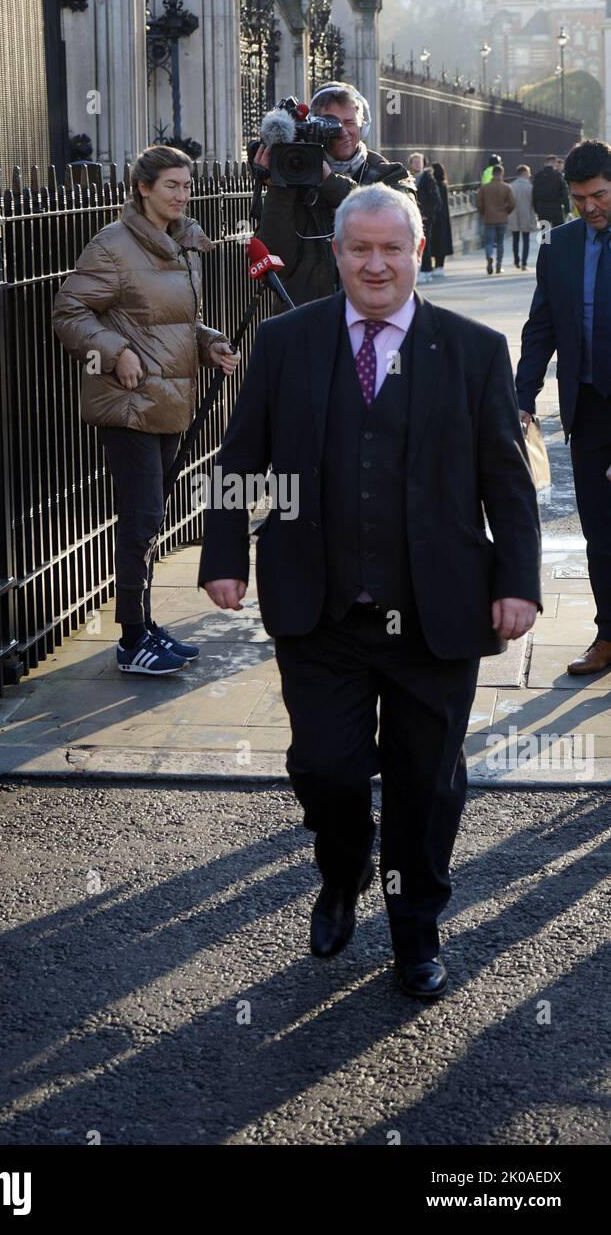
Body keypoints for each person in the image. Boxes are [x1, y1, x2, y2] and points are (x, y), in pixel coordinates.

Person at [198, 183, 541, 1001]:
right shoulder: (287, 341)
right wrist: (224, 556)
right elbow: (241, 456)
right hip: (319, 607)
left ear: (417, 254)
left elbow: (505, 476)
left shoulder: (471, 350)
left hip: (437, 610)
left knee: (426, 785)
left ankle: (415, 928)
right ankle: (342, 867)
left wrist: (517, 582)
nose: (376, 264)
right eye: (361, 249)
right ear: (340, 254)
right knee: (326, 770)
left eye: (392, 249)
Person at [52, 145, 239, 676]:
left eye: (186, 185)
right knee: (141, 518)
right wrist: (115, 351)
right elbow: (69, 312)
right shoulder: (112, 246)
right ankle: (132, 637)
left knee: (150, 518)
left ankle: (145, 622)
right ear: (143, 188)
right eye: (171, 186)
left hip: (167, 399)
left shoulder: (182, 244)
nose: (182, 194)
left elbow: (171, 323)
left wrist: (209, 345)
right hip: (129, 401)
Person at [516, 138, 611, 675]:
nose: (589, 207)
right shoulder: (562, 246)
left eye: (598, 195)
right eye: (579, 198)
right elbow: (542, 326)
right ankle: (608, 634)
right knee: (598, 529)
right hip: (589, 410)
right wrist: (522, 397)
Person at [254, 81, 415, 307]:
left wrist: (329, 181)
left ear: (363, 125)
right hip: (306, 319)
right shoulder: (294, 178)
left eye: (349, 122)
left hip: (374, 312)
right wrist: (280, 186)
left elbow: (401, 222)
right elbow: (277, 259)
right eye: (331, 123)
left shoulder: (390, 174)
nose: (342, 131)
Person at [407, 153, 442, 284]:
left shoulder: (428, 178)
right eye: (415, 161)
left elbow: (435, 199)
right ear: (411, 164)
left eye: (419, 161)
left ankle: (426, 271)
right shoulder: (408, 178)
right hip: (412, 215)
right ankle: (419, 269)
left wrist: (427, 214)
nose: (417, 164)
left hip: (425, 216)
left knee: (425, 243)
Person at [477, 164, 515, 274]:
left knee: (488, 242)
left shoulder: (484, 187)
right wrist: (506, 211)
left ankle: (489, 256)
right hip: (502, 218)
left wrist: (484, 212)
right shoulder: (506, 187)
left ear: (492, 173)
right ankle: (499, 265)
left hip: (489, 218)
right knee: (500, 242)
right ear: (502, 173)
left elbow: (479, 203)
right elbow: (512, 203)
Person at [507, 164, 537, 270]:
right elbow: (534, 203)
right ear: (524, 173)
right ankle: (524, 263)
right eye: (528, 173)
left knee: (515, 239)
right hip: (526, 215)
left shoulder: (511, 186)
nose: (530, 175)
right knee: (526, 240)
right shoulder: (530, 187)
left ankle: (516, 261)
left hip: (513, 216)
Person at [532, 155, 571, 229]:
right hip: (556, 208)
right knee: (558, 233)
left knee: (545, 235)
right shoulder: (558, 175)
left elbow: (534, 194)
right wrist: (567, 209)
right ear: (555, 163)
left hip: (542, 208)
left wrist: (536, 210)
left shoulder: (538, 175)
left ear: (545, 163)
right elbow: (564, 193)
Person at [430, 161, 454, 277]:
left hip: (436, 217)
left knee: (435, 241)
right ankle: (440, 265)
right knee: (442, 241)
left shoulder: (435, 185)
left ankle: (437, 265)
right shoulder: (444, 184)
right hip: (444, 217)